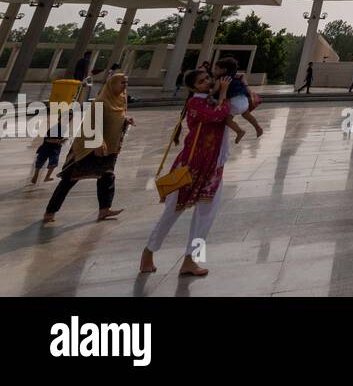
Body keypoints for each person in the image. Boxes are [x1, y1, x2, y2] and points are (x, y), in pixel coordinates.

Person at [139, 67, 232, 277]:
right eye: (201, 81)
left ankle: (191, 259)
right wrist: (224, 93)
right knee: (172, 211)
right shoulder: (196, 104)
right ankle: (148, 251)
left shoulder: (209, 100)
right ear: (192, 87)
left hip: (212, 167)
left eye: (208, 78)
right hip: (191, 166)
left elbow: (229, 111)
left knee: (206, 216)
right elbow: (219, 114)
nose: (208, 82)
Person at [42, 73, 133, 223]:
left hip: (109, 148)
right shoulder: (101, 101)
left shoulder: (120, 100)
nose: (125, 86)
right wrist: (97, 143)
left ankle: (104, 210)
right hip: (89, 148)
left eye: (126, 82)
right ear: (112, 84)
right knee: (69, 179)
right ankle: (50, 212)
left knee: (107, 176)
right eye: (122, 82)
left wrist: (125, 120)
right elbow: (91, 124)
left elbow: (115, 118)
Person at [212, 57, 263, 140]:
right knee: (246, 114)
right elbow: (246, 88)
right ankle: (257, 127)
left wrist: (209, 95)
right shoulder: (239, 77)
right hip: (244, 101)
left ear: (224, 70)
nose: (214, 71)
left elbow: (215, 90)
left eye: (216, 69)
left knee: (227, 120)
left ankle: (239, 131)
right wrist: (251, 96)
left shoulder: (221, 79)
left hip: (233, 103)